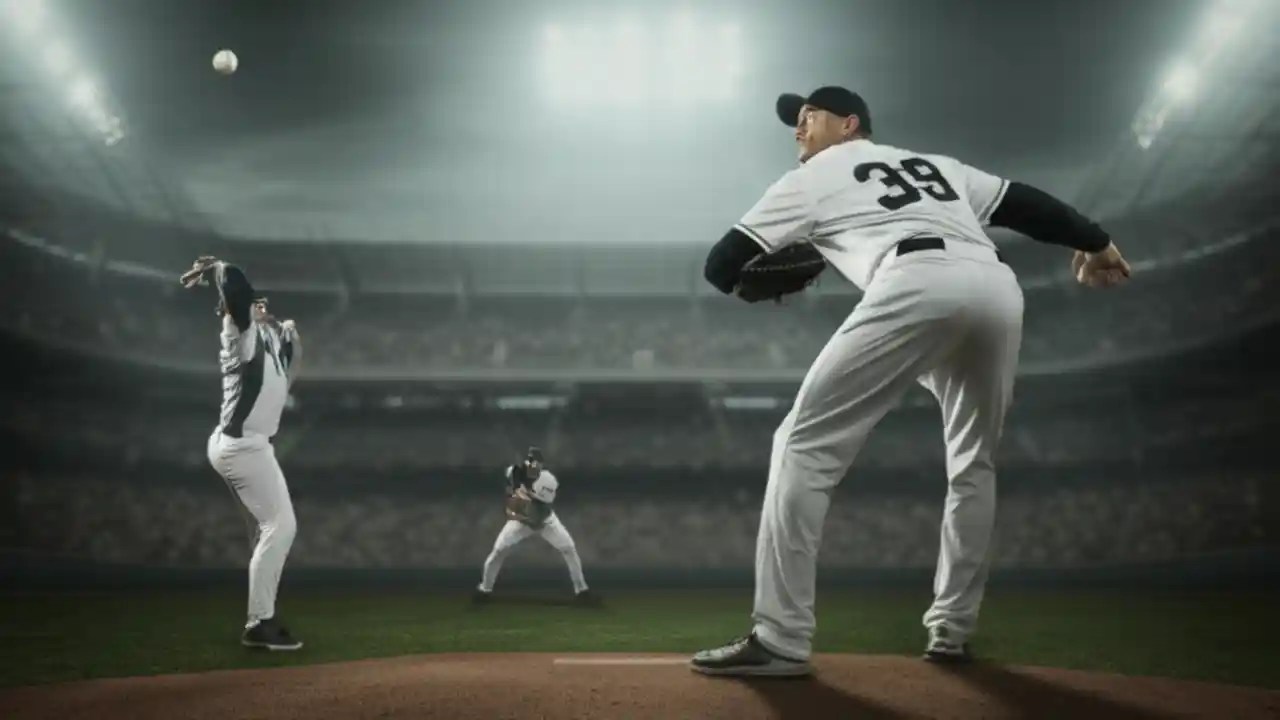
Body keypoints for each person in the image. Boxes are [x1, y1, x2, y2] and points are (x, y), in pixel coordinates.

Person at [691, 86, 1130, 676]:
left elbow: (720, 265)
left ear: (849, 124)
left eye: (808, 118)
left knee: (801, 446)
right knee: (974, 462)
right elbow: (1025, 204)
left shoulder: (811, 177)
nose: (798, 130)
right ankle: (951, 632)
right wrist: (1097, 243)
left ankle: (780, 638)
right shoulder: (936, 167)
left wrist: (762, 278)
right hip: (995, 287)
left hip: (914, 282)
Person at [181, 256, 305, 650]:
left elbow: (286, 380)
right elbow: (237, 288)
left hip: (248, 445)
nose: (263, 305)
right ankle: (259, 623)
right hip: (243, 447)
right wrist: (218, 267)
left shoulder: (265, 340)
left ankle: (261, 614)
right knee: (281, 527)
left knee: (268, 529)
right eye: (257, 304)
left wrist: (293, 346)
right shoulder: (241, 332)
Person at [473, 447, 598, 605]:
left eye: (537, 463)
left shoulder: (548, 481)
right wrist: (514, 497)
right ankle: (485, 589)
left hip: (546, 521)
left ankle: (582, 591)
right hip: (522, 521)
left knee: (569, 549)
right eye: (532, 462)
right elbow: (512, 493)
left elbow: (538, 508)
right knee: (498, 551)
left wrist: (520, 498)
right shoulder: (515, 474)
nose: (534, 466)